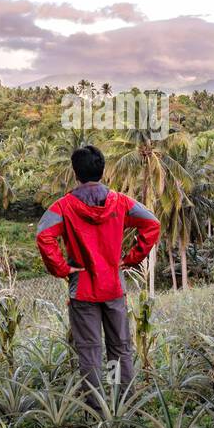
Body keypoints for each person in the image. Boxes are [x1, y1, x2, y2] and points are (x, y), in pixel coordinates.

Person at [35, 144, 160, 399]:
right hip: (114, 287)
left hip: (82, 290)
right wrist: (132, 258)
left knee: (89, 351)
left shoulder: (63, 206)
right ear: (102, 171)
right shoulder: (121, 202)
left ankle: (95, 406)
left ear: (75, 173)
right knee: (120, 347)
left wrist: (62, 268)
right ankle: (121, 398)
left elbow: (43, 236)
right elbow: (151, 224)